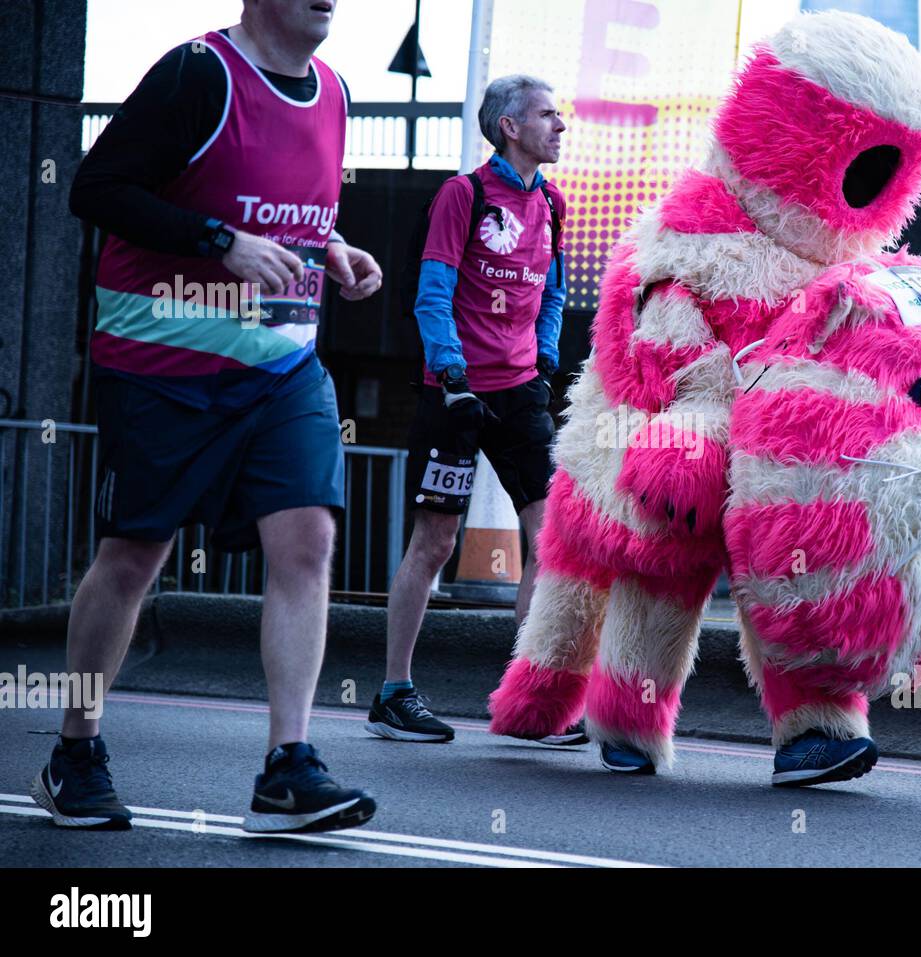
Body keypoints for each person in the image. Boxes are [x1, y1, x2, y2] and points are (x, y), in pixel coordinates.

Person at [31, 0, 383, 833]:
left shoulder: (335, 91)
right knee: (134, 557)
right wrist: (218, 241)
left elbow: (290, 209)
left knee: (309, 538)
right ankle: (74, 750)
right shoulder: (198, 74)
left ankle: (287, 767)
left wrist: (331, 247)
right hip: (164, 369)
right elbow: (95, 188)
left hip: (283, 369)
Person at [363, 75, 576, 745]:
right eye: (547, 114)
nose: (560, 126)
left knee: (550, 540)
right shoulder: (465, 194)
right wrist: (452, 374)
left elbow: (551, 294)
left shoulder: (553, 202)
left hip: (521, 394)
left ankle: (530, 703)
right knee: (435, 542)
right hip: (454, 395)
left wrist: (545, 361)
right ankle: (393, 693)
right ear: (509, 126)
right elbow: (432, 292)